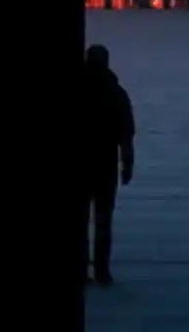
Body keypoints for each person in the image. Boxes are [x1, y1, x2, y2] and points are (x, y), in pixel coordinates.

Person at [83, 44, 135, 287]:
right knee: (103, 220)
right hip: (104, 165)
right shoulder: (116, 93)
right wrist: (127, 163)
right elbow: (125, 133)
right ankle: (102, 270)